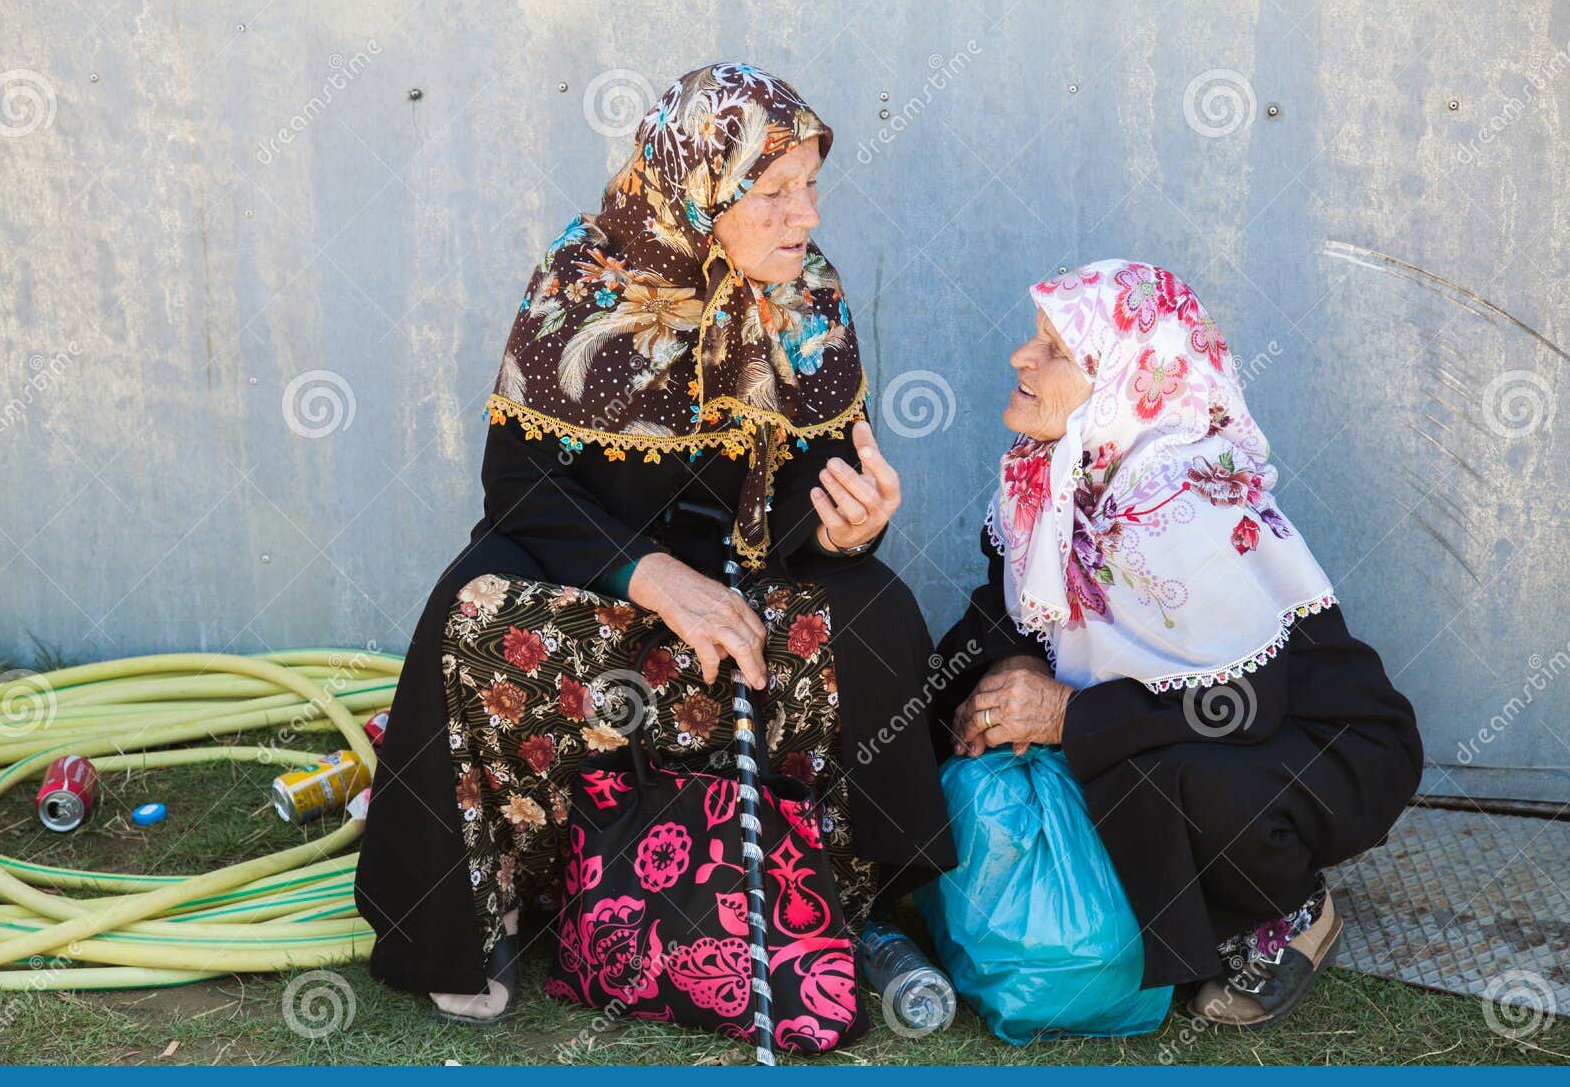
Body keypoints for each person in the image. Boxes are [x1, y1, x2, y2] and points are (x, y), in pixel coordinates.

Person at [353, 62, 956, 1026]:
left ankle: (845, 897)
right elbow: (519, 485)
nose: (804, 215)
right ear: (698, 191)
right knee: (469, 610)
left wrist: (855, 520)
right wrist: (654, 577)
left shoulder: (807, 293)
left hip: (749, 586)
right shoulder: (584, 278)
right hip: (594, 576)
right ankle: (494, 897)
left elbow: (821, 470)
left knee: (875, 607)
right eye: (774, 191)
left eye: (811, 185)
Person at [929, 258, 1423, 1028]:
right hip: (1207, 716)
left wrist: (1064, 713)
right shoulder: (1060, 474)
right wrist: (1009, 663)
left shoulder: (1179, 507)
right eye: (1035, 341)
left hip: (1316, 740)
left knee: (1166, 773)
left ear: (1126, 381)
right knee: (973, 692)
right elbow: (1008, 606)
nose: (1020, 359)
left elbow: (1241, 703)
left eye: (1055, 351)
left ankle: (1290, 909)